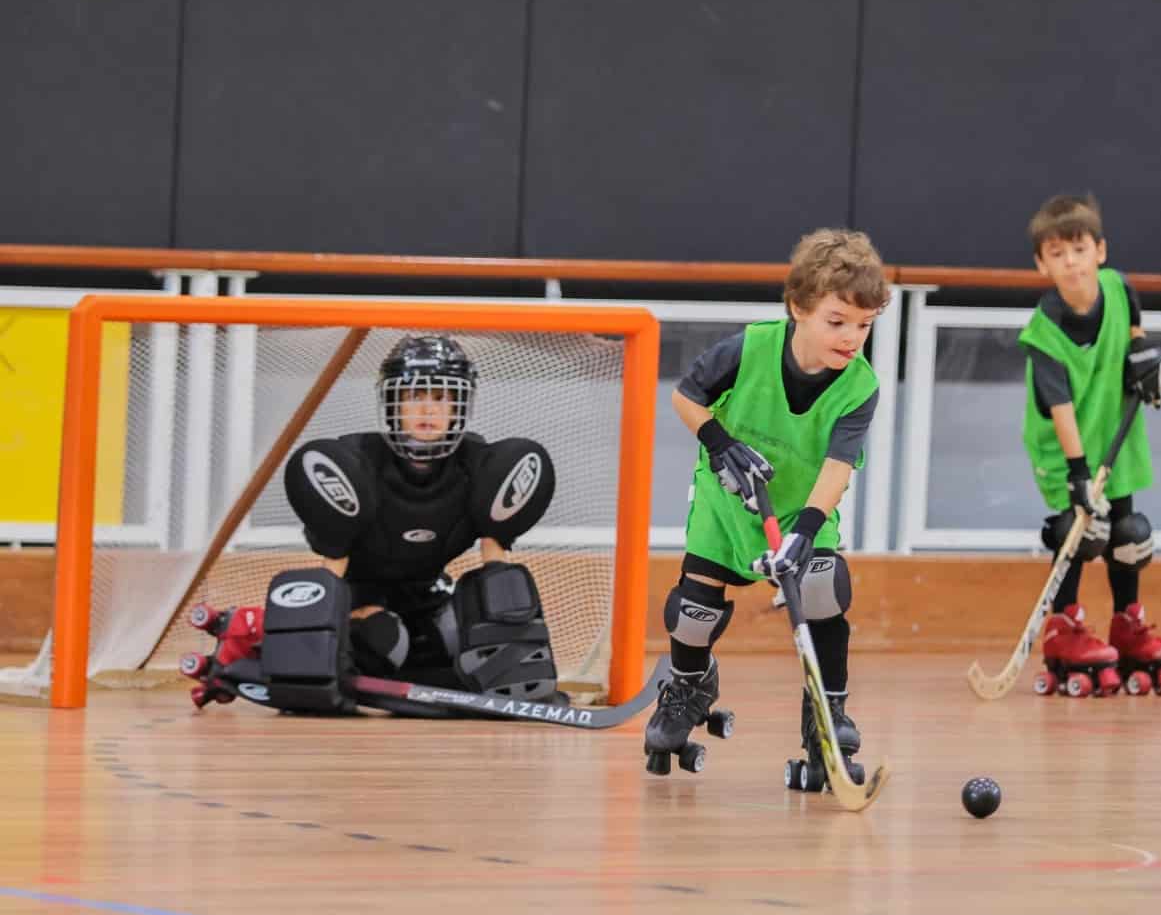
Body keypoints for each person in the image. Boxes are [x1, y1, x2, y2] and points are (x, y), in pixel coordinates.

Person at [185, 334, 559, 716]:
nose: (427, 409)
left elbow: (494, 573)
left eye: (441, 397)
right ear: (393, 404)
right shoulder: (357, 462)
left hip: (429, 599)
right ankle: (253, 631)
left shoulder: (482, 467)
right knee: (382, 640)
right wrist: (317, 641)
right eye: (415, 397)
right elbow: (331, 571)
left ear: (460, 404)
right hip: (361, 602)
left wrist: (505, 655)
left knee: (467, 637)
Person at [642, 228, 888, 783]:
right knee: (693, 612)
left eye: (865, 325)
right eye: (837, 321)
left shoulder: (860, 387)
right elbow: (685, 396)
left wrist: (806, 531)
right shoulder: (748, 348)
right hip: (726, 506)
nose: (852, 338)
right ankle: (688, 685)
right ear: (799, 308)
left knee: (824, 588)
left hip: (802, 508)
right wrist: (719, 442)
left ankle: (826, 710)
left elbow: (838, 468)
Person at [1019, 194, 1161, 697]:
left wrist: (1146, 361)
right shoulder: (1044, 331)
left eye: (1079, 249)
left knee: (1128, 535)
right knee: (1083, 531)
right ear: (1041, 264)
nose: (1071, 262)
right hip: (1064, 445)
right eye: (1057, 253)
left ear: (1099, 251)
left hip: (1117, 431)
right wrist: (1079, 474)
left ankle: (1127, 623)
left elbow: (1135, 334)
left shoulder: (1119, 288)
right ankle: (1064, 627)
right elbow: (1059, 407)